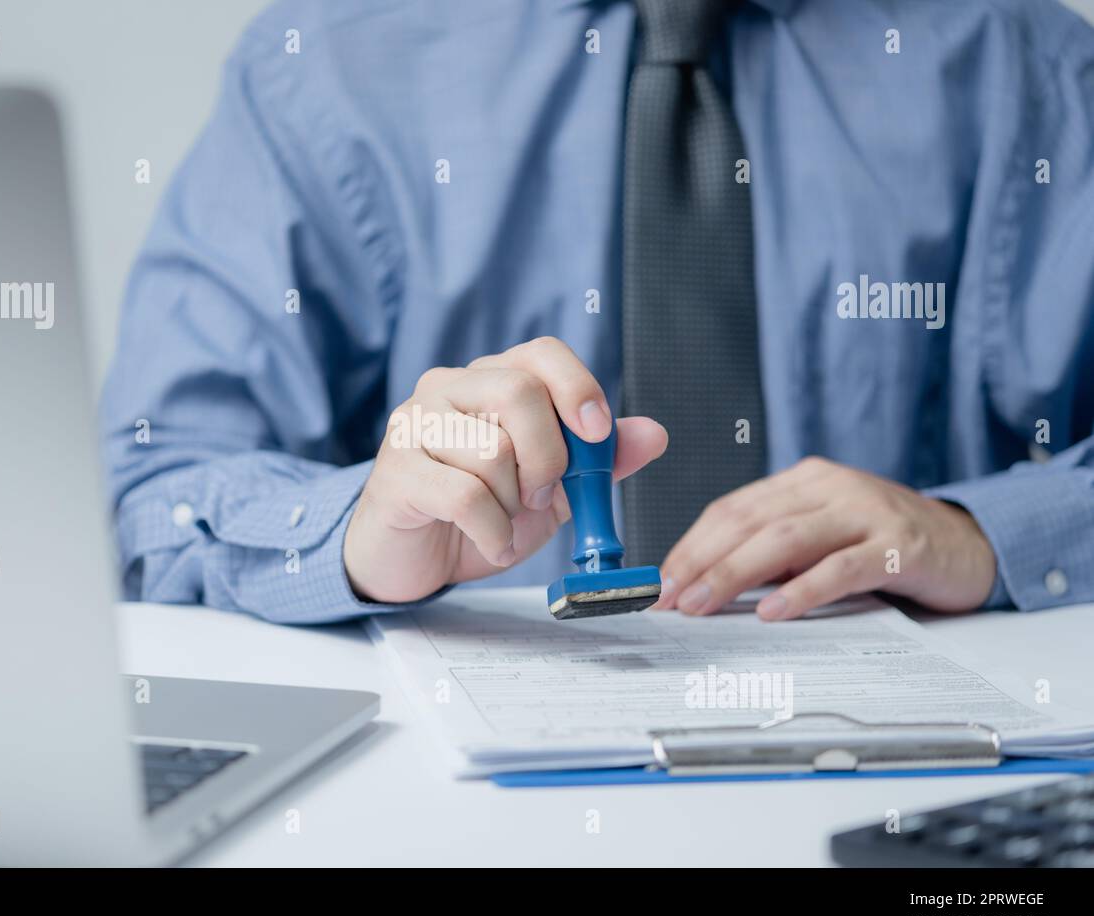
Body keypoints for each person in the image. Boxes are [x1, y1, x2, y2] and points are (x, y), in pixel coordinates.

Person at [101, 0, 1094, 625]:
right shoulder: (322, 64)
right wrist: (352, 539)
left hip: (909, 777)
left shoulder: (1024, 61)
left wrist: (982, 532)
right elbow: (154, 482)